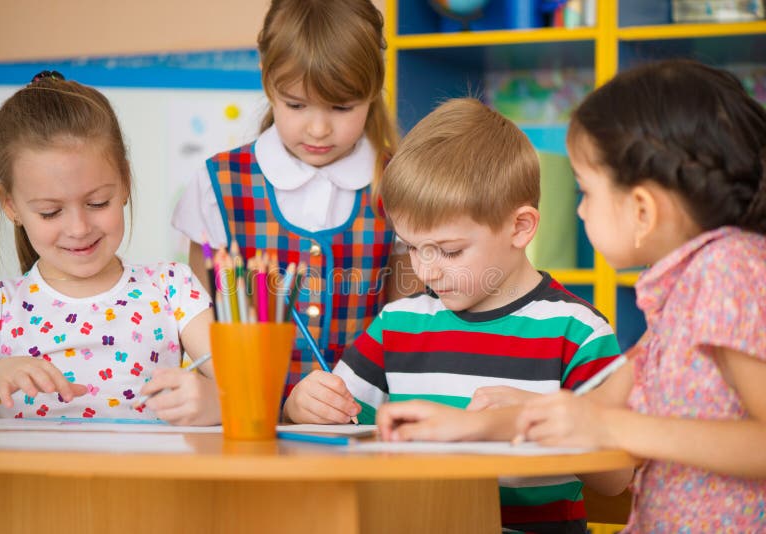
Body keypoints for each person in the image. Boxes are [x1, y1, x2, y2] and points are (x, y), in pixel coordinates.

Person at [379, 60, 766, 532]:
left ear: (642, 208)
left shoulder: (726, 272)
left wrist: (611, 428)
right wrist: (468, 427)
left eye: (585, 191)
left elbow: (608, 424)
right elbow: (592, 411)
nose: (580, 210)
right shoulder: (682, 292)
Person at [284, 98, 630, 533]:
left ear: (520, 227)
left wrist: (545, 419)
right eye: (412, 247)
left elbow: (616, 480)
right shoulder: (397, 325)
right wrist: (304, 406)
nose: (426, 270)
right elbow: (341, 428)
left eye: (449, 251)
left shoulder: (576, 332)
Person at [171, 0, 411, 400]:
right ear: (269, 83)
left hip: (364, 420)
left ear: (373, 90)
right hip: (251, 416)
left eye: (341, 107)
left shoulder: (400, 183)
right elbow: (200, 318)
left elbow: (408, 321)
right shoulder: (219, 185)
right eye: (296, 105)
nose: (317, 128)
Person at [0, 71, 219, 426]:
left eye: (98, 202)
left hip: (149, 480)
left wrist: (217, 403)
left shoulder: (172, 287)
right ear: (11, 205)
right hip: (35, 483)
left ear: (125, 182)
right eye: (50, 212)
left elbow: (252, 394)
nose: (79, 228)